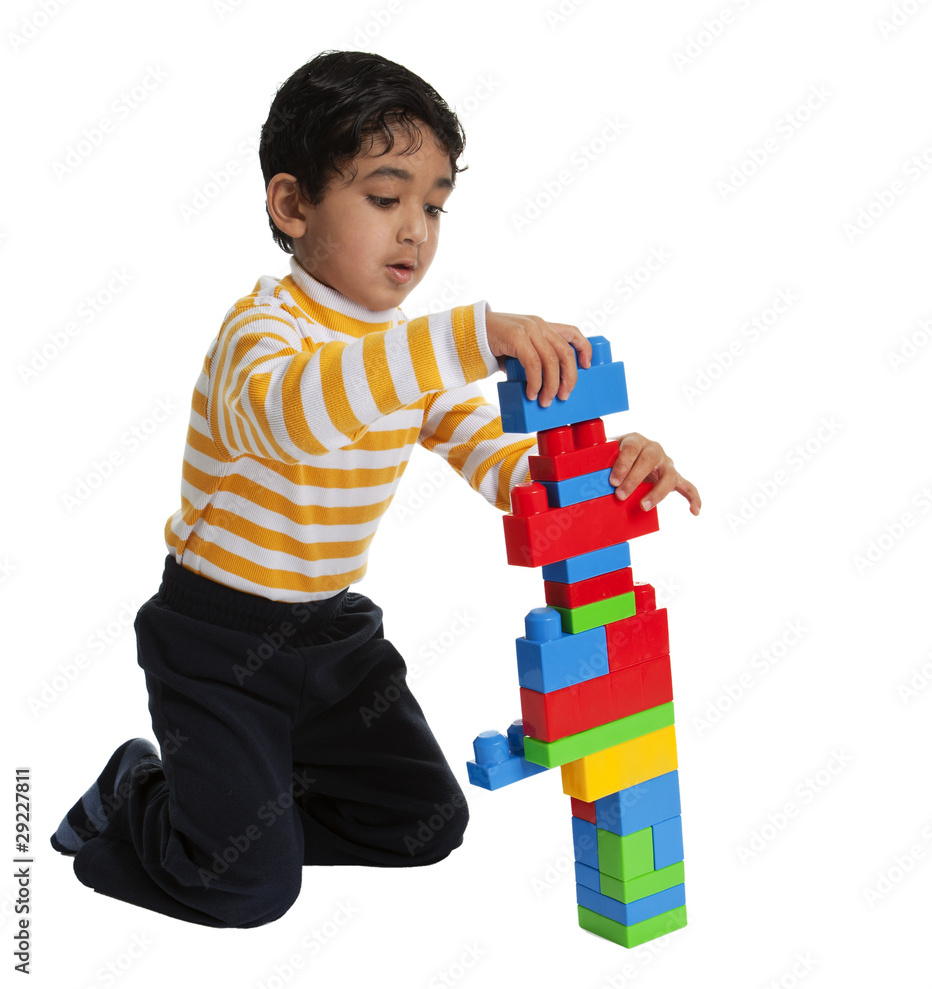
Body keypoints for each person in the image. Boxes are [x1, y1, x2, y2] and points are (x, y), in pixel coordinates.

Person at [50, 49, 701, 928]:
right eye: (386, 198)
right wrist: (470, 333)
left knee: (422, 825)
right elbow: (298, 416)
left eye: (434, 206)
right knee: (249, 889)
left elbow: (502, 469)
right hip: (217, 637)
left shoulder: (403, 357)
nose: (416, 231)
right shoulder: (264, 332)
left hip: (331, 634)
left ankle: (243, 809)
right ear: (292, 204)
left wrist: (611, 471)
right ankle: (138, 802)